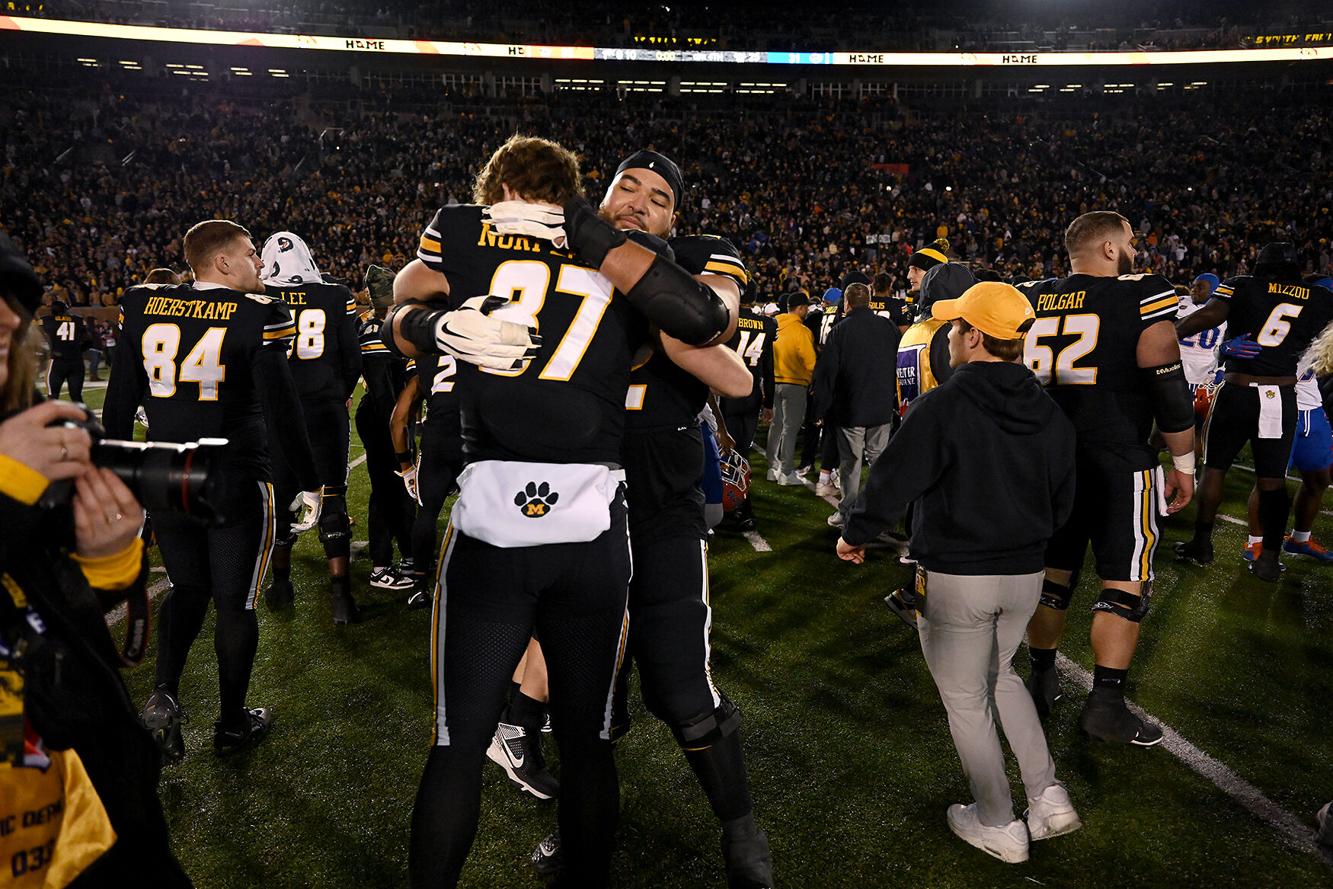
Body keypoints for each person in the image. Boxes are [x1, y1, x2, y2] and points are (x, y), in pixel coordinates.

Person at [390, 136, 734, 888]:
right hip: (590, 520)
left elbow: (399, 298)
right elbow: (709, 329)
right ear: (585, 189)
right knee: (590, 746)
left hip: (490, 517)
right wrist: (592, 236)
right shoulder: (621, 260)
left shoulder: (463, 226)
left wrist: (427, 329)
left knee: (456, 744)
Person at [836, 281, 1079, 865]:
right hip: (1025, 575)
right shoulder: (1049, 409)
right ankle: (1047, 794)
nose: (947, 335)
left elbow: (893, 480)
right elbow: (1064, 502)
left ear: (973, 334)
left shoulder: (943, 403)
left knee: (966, 699)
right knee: (1001, 676)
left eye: (954, 327)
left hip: (958, 576)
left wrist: (855, 533)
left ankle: (997, 818)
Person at [0, 230, 191, 886]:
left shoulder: (17, 427)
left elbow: (31, 620)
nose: (7, 314)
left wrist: (104, 566)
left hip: (86, 808)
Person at [103, 219, 322, 761]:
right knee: (234, 603)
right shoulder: (258, 315)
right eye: (250, 254)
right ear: (222, 262)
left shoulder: (142, 304)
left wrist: (116, 477)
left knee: (187, 587)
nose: (260, 265)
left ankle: (164, 694)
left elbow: (117, 405)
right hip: (231, 476)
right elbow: (281, 411)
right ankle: (229, 725)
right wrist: (308, 482)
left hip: (164, 474)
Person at [1017, 210, 1196, 745]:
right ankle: (1106, 705)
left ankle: (1041, 678)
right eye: (1131, 244)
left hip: (1051, 459)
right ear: (1112, 249)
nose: (1136, 252)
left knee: (1054, 575)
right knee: (1123, 579)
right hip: (1119, 455)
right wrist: (1184, 463)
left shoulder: (1036, 295)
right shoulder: (1141, 293)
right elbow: (1165, 377)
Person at [1176, 242, 1333, 581]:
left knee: (1215, 470)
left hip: (1239, 389)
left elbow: (1204, 317)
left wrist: (1176, 335)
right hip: (1281, 394)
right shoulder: (1319, 298)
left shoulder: (1243, 284)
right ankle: (1269, 560)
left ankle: (1201, 544)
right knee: (1273, 481)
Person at [260, 231, 363, 623]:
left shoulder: (261, 298)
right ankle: (341, 598)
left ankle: (280, 582)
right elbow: (351, 358)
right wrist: (340, 392)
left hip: (278, 414)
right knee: (333, 494)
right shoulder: (337, 296)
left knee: (281, 495)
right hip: (324, 409)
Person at [813, 281, 900, 529]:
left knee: (851, 463)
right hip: (881, 407)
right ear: (870, 300)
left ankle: (849, 510)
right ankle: (880, 512)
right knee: (879, 461)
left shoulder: (840, 330)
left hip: (851, 408)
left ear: (847, 303)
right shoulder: (889, 327)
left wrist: (820, 409)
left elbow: (827, 374)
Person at [354, 266, 418, 594]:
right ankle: (384, 564)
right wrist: (399, 428)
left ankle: (408, 554)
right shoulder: (383, 327)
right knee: (389, 489)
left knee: (395, 489)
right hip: (386, 416)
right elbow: (383, 389)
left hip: (383, 413)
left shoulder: (366, 322)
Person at [389, 347, 464, 608]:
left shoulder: (425, 358)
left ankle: (419, 587)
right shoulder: (481, 348)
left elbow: (399, 417)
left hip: (438, 442)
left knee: (426, 513)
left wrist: (406, 465)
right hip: (475, 440)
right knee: (487, 511)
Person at [720, 278, 775, 531]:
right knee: (743, 453)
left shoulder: (728, 318)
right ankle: (742, 506)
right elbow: (768, 366)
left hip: (727, 392)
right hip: (752, 394)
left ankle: (735, 507)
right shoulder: (766, 323)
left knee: (726, 453)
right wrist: (769, 401)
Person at [764, 292, 816, 485]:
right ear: (800, 308)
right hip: (795, 384)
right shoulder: (801, 331)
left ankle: (772, 467)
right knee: (790, 428)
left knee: (776, 425)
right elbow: (810, 363)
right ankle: (785, 472)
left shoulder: (774, 324)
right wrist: (815, 383)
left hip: (773, 382)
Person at [1177, 273, 1227, 455]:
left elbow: (1225, 345)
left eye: (1200, 287)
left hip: (1202, 378)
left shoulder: (1224, 311)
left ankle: (1192, 472)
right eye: (1194, 285)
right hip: (1174, 372)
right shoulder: (1178, 302)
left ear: (1213, 291)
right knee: (1164, 426)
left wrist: (1221, 369)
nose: (1194, 289)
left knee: (1198, 430)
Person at [41, 299, 89, 401]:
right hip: (76, 361)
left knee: (52, 396)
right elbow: (88, 340)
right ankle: (83, 417)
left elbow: (32, 334)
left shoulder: (46, 320)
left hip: (58, 361)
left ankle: (52, 417)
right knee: (76, 396)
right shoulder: (79, 320)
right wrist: (78, 350)